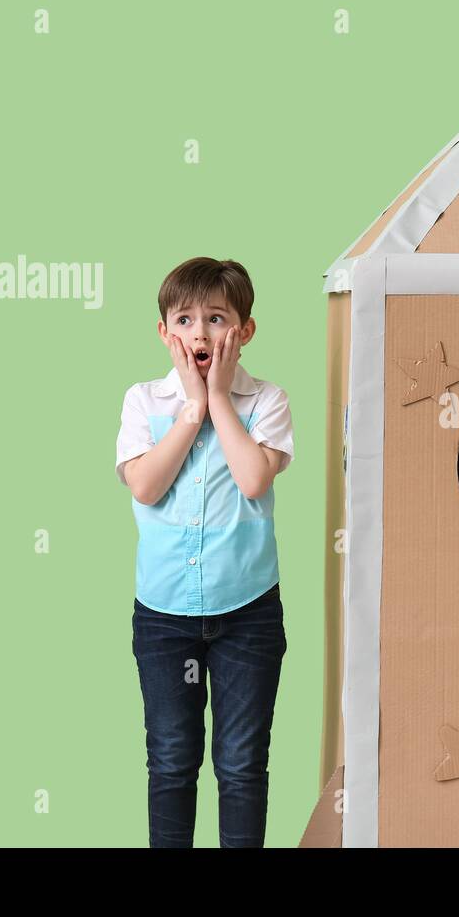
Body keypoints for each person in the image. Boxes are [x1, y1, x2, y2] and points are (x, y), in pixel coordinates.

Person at [115, 256, 293, 847]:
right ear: (165, 334)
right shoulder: (144, 402)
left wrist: (218, 397)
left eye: (216, 318)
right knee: (170, 760)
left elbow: (252, 480)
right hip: (165, 617)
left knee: (241, 764)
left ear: (243, 331)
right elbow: (145, 485)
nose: (200, 333)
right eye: (185, 319)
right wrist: (192, 407)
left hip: (248, 614)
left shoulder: (266, 400)